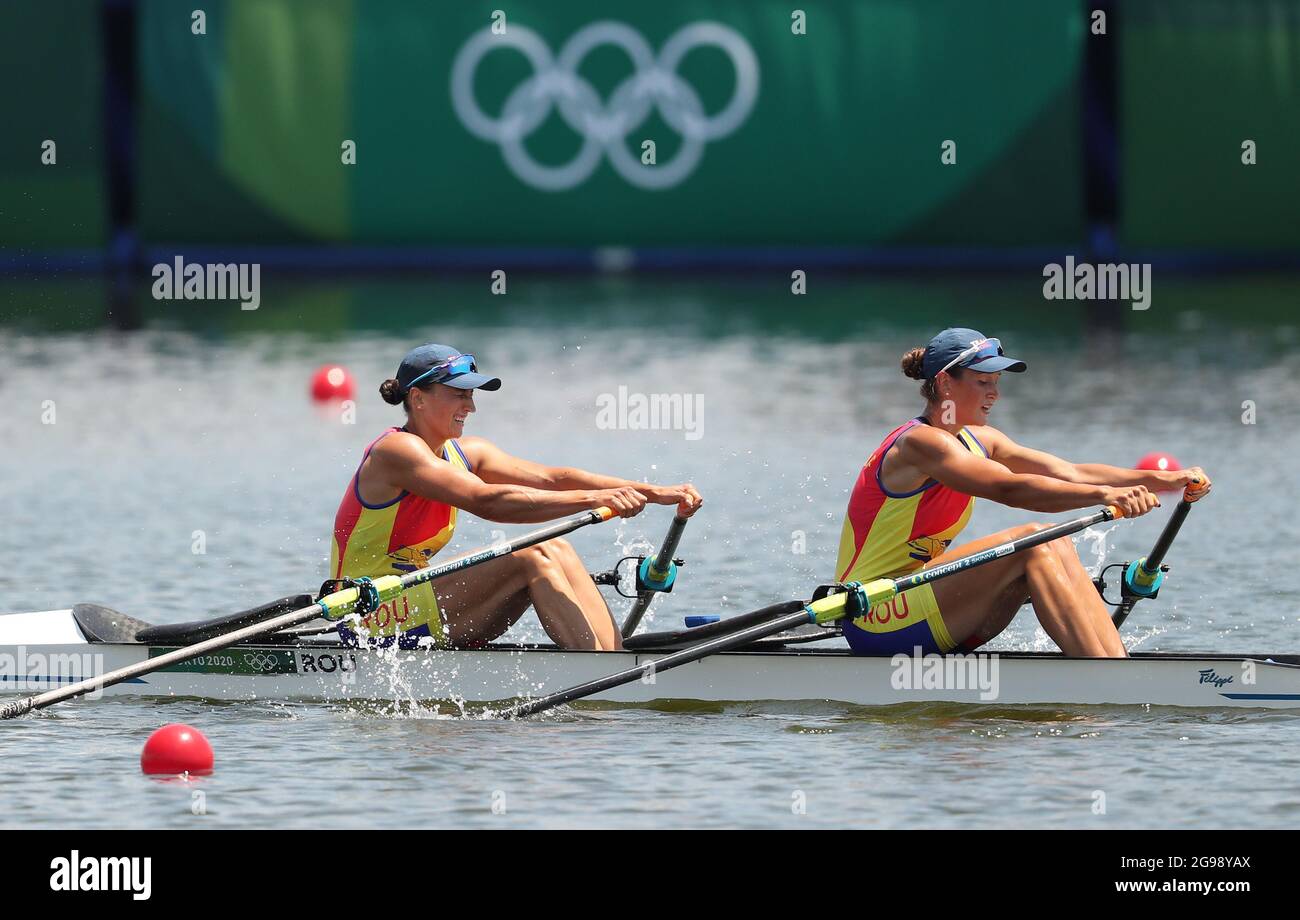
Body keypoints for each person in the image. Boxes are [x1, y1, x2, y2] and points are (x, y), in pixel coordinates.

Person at [834, 328, 1211, 658]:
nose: (995, 394)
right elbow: (1009, 488)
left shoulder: (979, 440)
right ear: (946, 383)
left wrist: (1165, 479)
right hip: (875, 615)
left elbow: (1070, 471)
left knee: (1056, 545)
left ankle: (1112, 664)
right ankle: (1106, 680)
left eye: (997, 382)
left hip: (922, 605)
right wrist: (1106, 496)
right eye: (983, 382)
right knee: (1033, 542)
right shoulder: (920, 445)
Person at [329, 343, 702, 651]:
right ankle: (599, 674)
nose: (470, 407)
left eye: (471, 396)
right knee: (533, 553)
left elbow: (552, 478)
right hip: (368, 615)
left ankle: (612, 658)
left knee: (556, 548)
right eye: (458, 395)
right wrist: (595, 499)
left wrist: (650, 492)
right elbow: (487, 502)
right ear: (418, 398)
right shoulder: (396, 452)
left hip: (416, 601)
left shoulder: (466, 452)